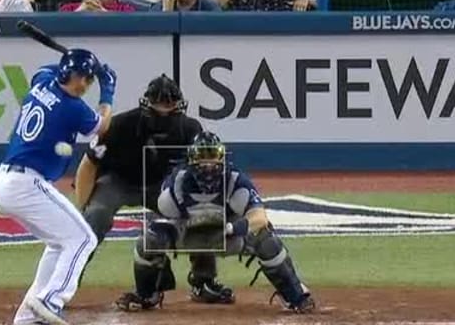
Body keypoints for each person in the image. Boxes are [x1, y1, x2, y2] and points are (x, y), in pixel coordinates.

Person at [74, 75, 228, 307]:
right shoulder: (119, 125)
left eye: (169, 104)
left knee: (199, 211)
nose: (164, 110)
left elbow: (196, 176)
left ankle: (203, 280)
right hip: (118, 181)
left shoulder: (190, 129)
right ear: (146, 104)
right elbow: (88, 164)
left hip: (162, 185)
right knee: (95, 215)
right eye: (159, 104)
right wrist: (83, 206)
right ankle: (64, 282)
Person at [120, 132, 316, 314]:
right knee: (148, 240)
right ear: (190, 160)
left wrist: (232, 228)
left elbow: (259, 217)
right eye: (202, 158)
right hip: (188, 235)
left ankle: (295, 295)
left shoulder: (235, 181)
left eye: (212, 157)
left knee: (266, 239)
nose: (208, 165)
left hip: (227, 235)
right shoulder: (176, 184)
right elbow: (163, 217)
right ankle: (147, 294)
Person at [0, 48, 115, 325]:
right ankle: (50, 301)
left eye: (87, 79)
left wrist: (75, 63)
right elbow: (101, 125)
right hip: (25, 183)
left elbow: (43, 70)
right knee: (84, 239)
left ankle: (29, 313)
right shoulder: (72, 107)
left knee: (60, 242)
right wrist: (107, 91)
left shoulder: (42, 81)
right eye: (79, 77)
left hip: (7, 181)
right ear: (66, 73)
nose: (82, 85)